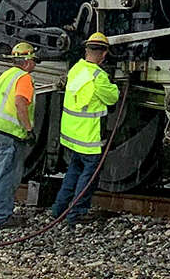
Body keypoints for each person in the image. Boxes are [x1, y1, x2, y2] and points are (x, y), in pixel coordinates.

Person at [48, 32, 121, 228]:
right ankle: (77, 214)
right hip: (89, 139)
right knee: (88, 178)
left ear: (87, 50)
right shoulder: (98, 76)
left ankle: (59, 209)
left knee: (73, 172)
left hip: (72, 136)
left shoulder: (76, 69)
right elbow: (113, 97)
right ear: (104, 54)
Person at [0, 41, 39, 229]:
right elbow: (20, 103)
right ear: (27, 61)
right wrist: (28, 129)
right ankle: (1, 217)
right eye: (34, 60)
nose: (35, 64)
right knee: (7, 176)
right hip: (9, 133)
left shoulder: (6, 75)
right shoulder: (24, 78)